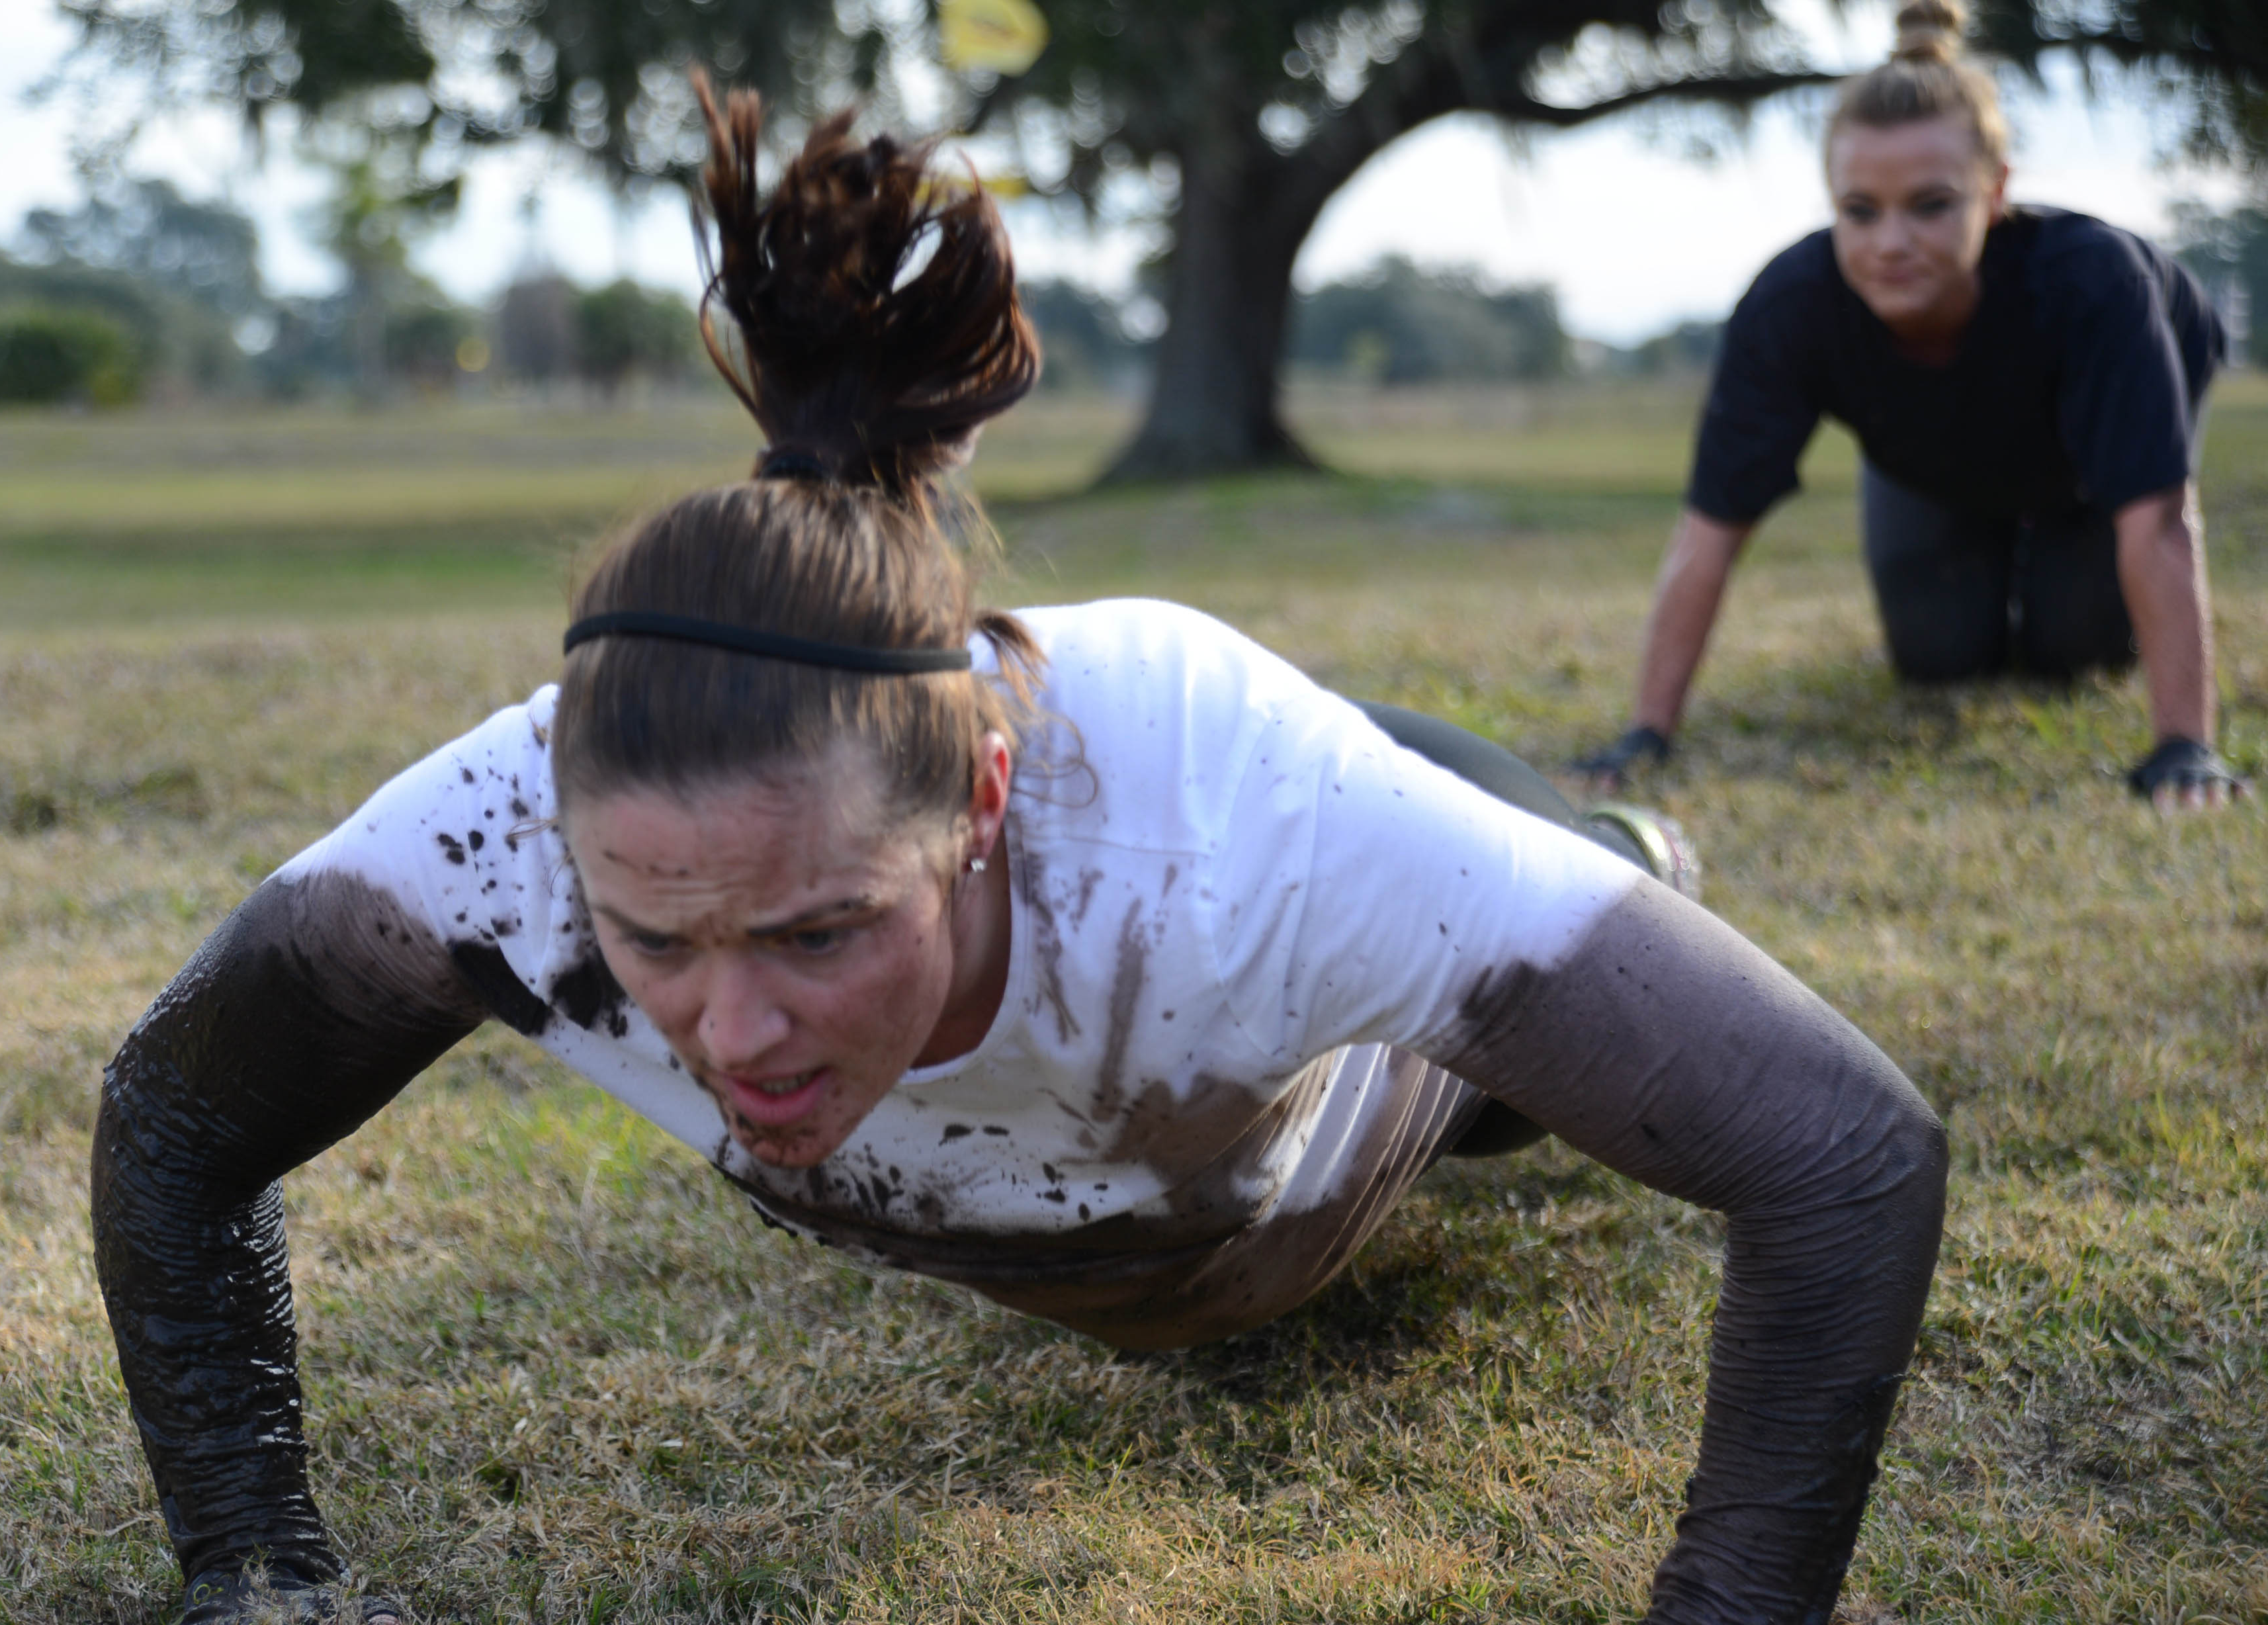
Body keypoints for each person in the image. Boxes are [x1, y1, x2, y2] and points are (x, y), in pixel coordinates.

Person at [93, 83, 1947, 1625]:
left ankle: (1619, 849)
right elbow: (176, 1121)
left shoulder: (1230, 830)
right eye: (654, 938)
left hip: (1316, 1140)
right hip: (1114, 1057)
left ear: (982, 806)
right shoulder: (499, 834)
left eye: (819, 930)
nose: (730, 1031)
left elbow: (1844, 1155)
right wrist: (258, 1570)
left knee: (1510, 1054)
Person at [1575, 0, 2242, 809]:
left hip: (2086, 465)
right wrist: (1645, 732)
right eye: (1859, 211)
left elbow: (2157, 522)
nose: (1890, 243)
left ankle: (2069, 573)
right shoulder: (1791, 308)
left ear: (1993, 192)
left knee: (2070, 652)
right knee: (1939, 658)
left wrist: (2183, 745)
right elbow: (1707, 534)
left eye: (1930, 205)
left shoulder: (2093, 284)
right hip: (1930, 454)